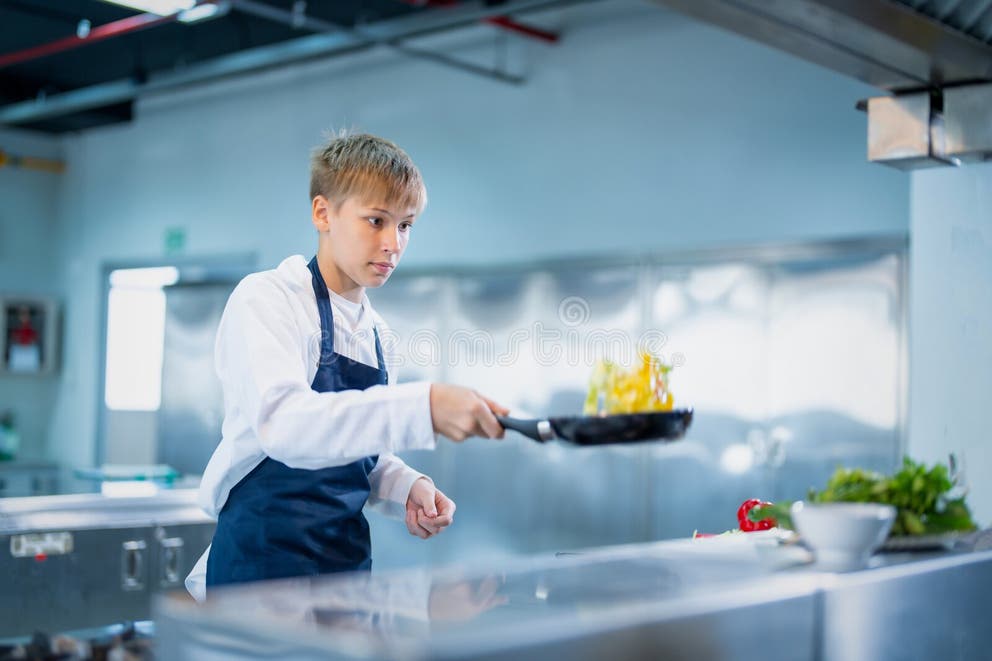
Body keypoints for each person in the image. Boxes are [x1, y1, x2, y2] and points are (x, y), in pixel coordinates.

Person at [186, 133, 508, 601]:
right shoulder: (269, 299)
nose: (393, 244)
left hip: (345, 570)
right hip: (261, 566)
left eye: (405, 225)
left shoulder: (379, 335)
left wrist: (406, 485)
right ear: (323, 213)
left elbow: (361, 454)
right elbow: (286, 426)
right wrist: (423, 406)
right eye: (376, 220)